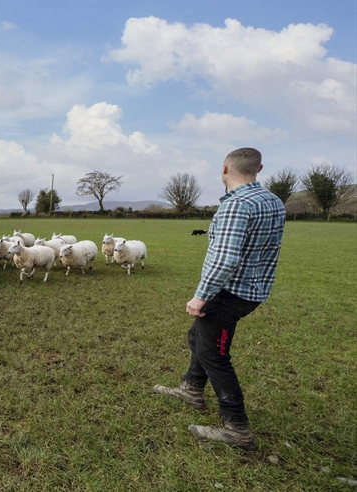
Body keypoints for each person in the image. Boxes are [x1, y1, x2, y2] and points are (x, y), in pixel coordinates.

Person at [154, 148, 285, 450]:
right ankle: (192, 388)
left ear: (224, 168)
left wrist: (201, 295)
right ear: (259, 168)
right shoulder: (272, 201)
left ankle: (236, 427)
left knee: (214, 353)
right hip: (253, 289)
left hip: (228, 291)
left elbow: (225, 260)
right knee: (199, 337)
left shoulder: (236, 205)